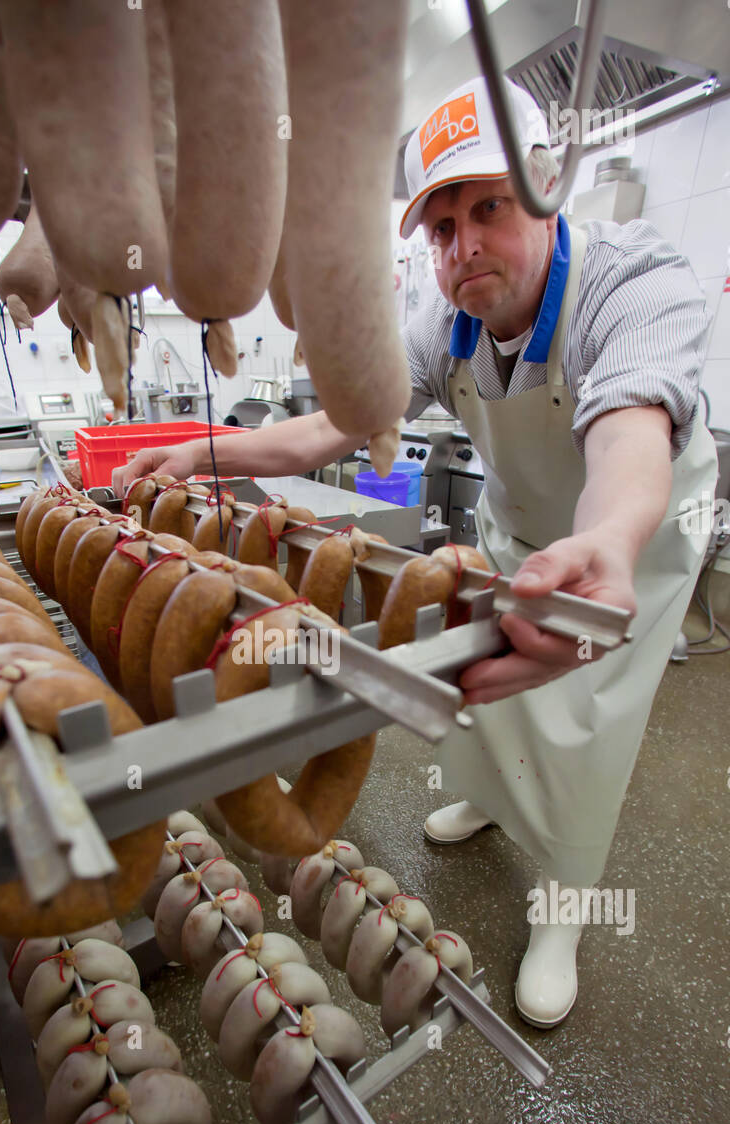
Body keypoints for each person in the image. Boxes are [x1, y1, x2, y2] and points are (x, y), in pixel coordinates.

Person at [112, 77, 717, 1030]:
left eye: (490, 208)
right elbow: (329, 430)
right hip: (519, 529)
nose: (463, 244)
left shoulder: (632, 282)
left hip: (624, 551)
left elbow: (629, 431)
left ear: (549, 192)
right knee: (480, 705)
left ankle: (562, 906)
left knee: (586, 734)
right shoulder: (444, 326)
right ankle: (486, 803)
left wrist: (605, 537)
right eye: (440, 227)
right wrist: (204, 450)